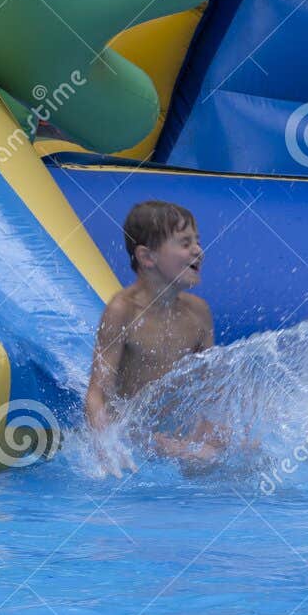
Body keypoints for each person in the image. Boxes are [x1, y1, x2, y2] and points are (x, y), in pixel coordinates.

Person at [85, 200, 222, 475]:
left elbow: (211, 391)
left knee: (243, 450)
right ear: (148, 257)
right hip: (135, 435)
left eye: (197, 241)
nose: (198, 250)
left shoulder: (198, 313)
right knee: (197, 457)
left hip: (174, 430)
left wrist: (213, 434)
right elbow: (97, 393)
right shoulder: (123, 312)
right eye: (185, 243)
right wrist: (105, 444)